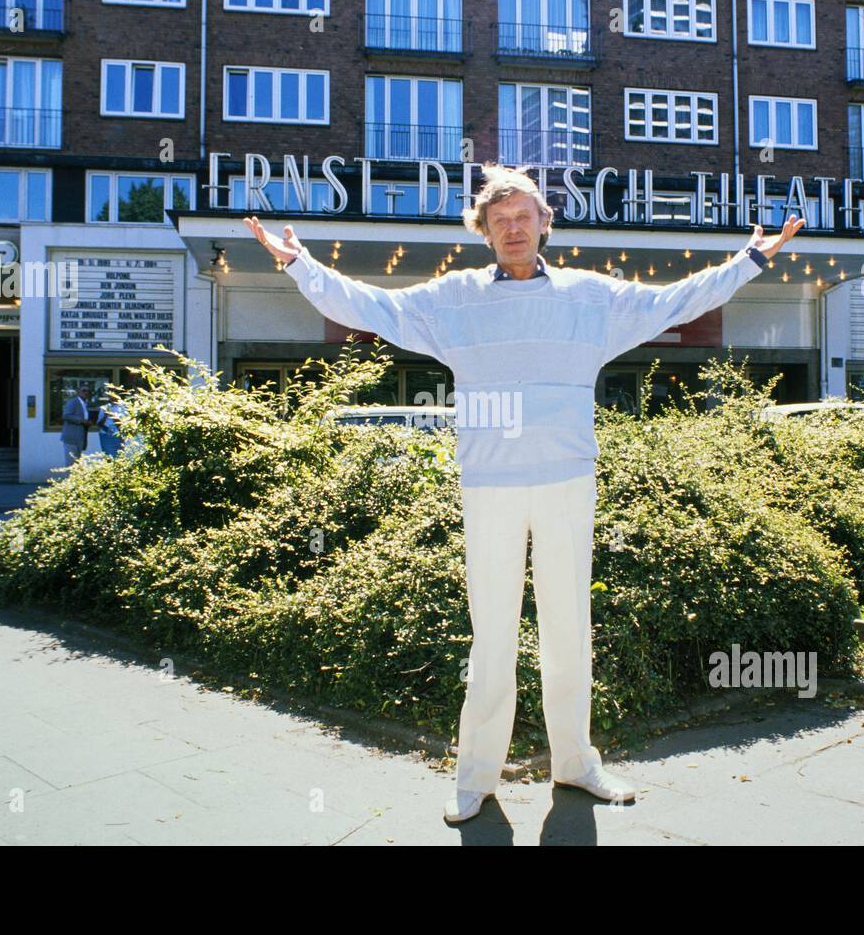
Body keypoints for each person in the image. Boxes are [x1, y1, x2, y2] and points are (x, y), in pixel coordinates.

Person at [245, 163, 805, 825]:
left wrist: (748, 260)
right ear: (482, 231)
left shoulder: (589, 299)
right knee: (492, 639)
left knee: (570, 630)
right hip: (490, 488)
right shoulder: (452, 301)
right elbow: (371, 306)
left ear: (545, 222)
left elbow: (671, 302)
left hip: (568, 480)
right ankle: (475, 778)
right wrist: (300, 264)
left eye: (523, 216)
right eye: (498, 220)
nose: (512, 228)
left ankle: (576, 763)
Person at [60, 382, 93, 466]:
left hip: (80, 438)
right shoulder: (73, 402)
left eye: (88, 391)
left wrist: (88, 422)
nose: (86, 393)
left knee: (77, 465)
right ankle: (69, 479)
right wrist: (82, 421)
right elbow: (66, 416)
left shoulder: (85, 404)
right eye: (84, 390)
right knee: (71, 465)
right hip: (71, 438)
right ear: (78, 392)